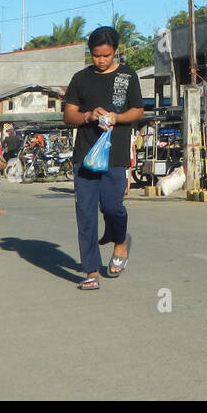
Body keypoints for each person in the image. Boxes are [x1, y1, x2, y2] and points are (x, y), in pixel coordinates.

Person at [63, 26, 144, 291]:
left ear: (115, 52)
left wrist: (116, 117)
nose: (101, 60)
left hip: (116, 155)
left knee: (112, 207)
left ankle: (120, 240)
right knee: (85, 213)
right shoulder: (80, 79)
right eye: (96, 55)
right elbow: (69, 115)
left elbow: (138, 110)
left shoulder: (128, 76)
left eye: (106, 55)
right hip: (85, 157)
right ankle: (91, 271)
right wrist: (88, 116)